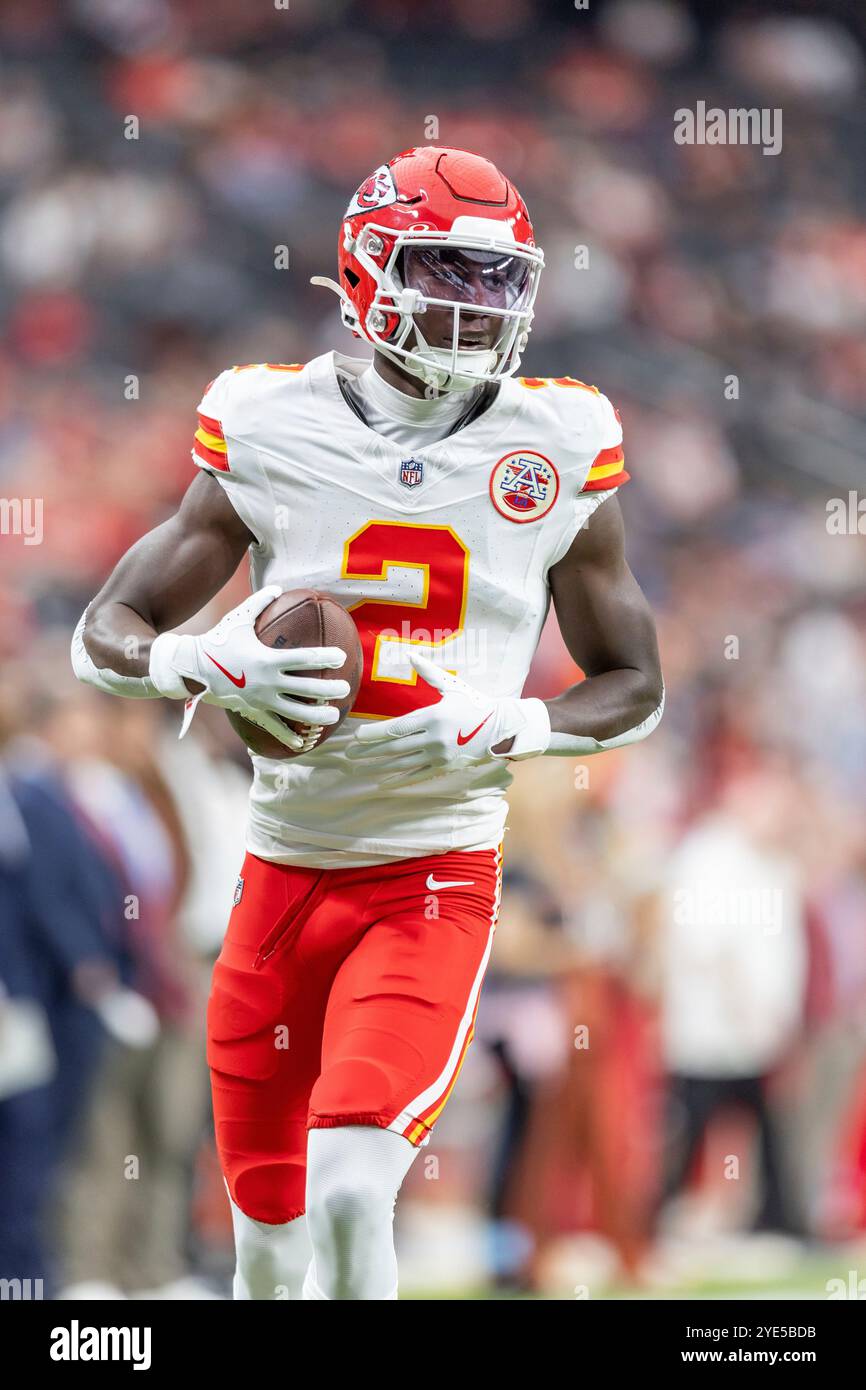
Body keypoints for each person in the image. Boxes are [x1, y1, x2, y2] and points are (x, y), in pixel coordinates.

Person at [71, 146, 664, 1300]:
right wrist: (201, 658)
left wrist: (522, 723)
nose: (474, 306)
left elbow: (632, 678)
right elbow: (108, 626)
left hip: (429, 874)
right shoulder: (267, 421)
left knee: (351, 1189)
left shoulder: (553, 440)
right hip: (281, 874)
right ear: (363, 270)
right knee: (267, 1244)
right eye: (447, 271)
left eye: (498, 281)